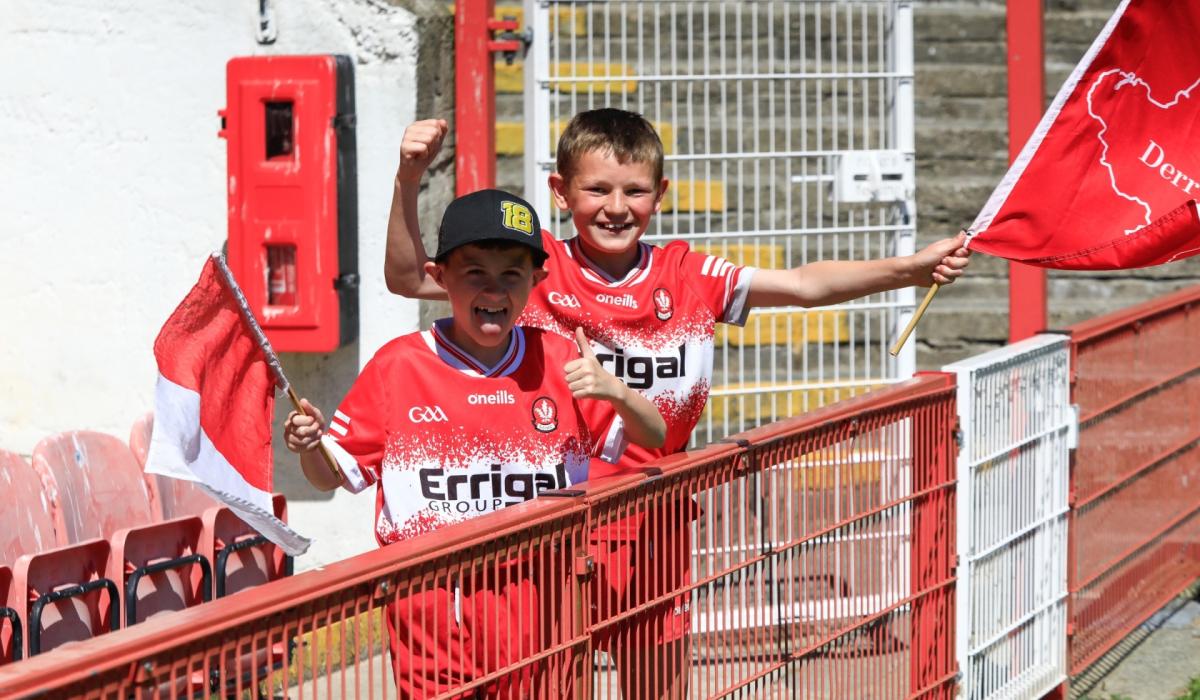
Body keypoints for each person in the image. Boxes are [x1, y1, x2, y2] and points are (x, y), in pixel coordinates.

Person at [383, 109, 971, 698]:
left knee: (658, 685)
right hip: (559, 526)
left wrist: (911, 270)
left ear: (660, 196)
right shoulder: (532, 270)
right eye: (597, 189)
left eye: (635, 190)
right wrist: (409, 179)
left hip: (657, 513)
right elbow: (409, 279)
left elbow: (802, 285)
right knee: (558, 684)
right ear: (561, 193)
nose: (617, 207)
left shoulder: (687, 273)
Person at [285, 188, 666, 699]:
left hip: (546, 599)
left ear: (535, 281)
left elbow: (654, 436)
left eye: (511, 274)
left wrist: (615, 390)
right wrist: (310, 445)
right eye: (474, 273)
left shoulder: (561, 359)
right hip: (430, 604)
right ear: (440, 278)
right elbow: (333, 474)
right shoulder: (398, 365)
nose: (494, 289)